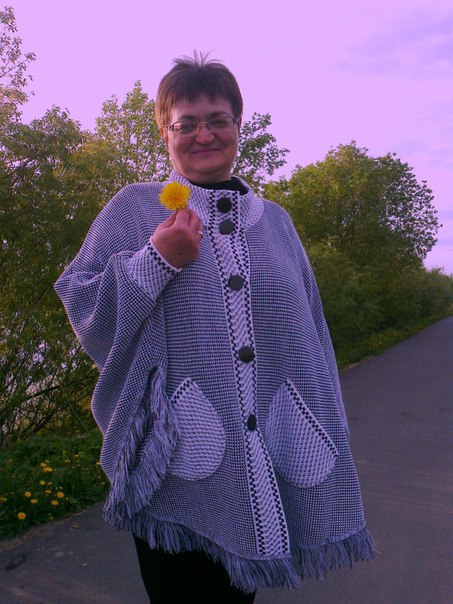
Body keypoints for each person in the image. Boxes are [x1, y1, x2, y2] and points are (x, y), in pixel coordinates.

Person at [55, 54, 373, 603]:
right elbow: (81, 301)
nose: (204, 134)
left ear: (238, 125)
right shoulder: (135, 209)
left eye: (218, 120)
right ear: (165, 132)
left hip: (267, 450)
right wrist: (156, 260)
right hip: (173, 459)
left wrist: (322, 420)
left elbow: (311, 332)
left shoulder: (276, 223)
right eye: (187, 123)